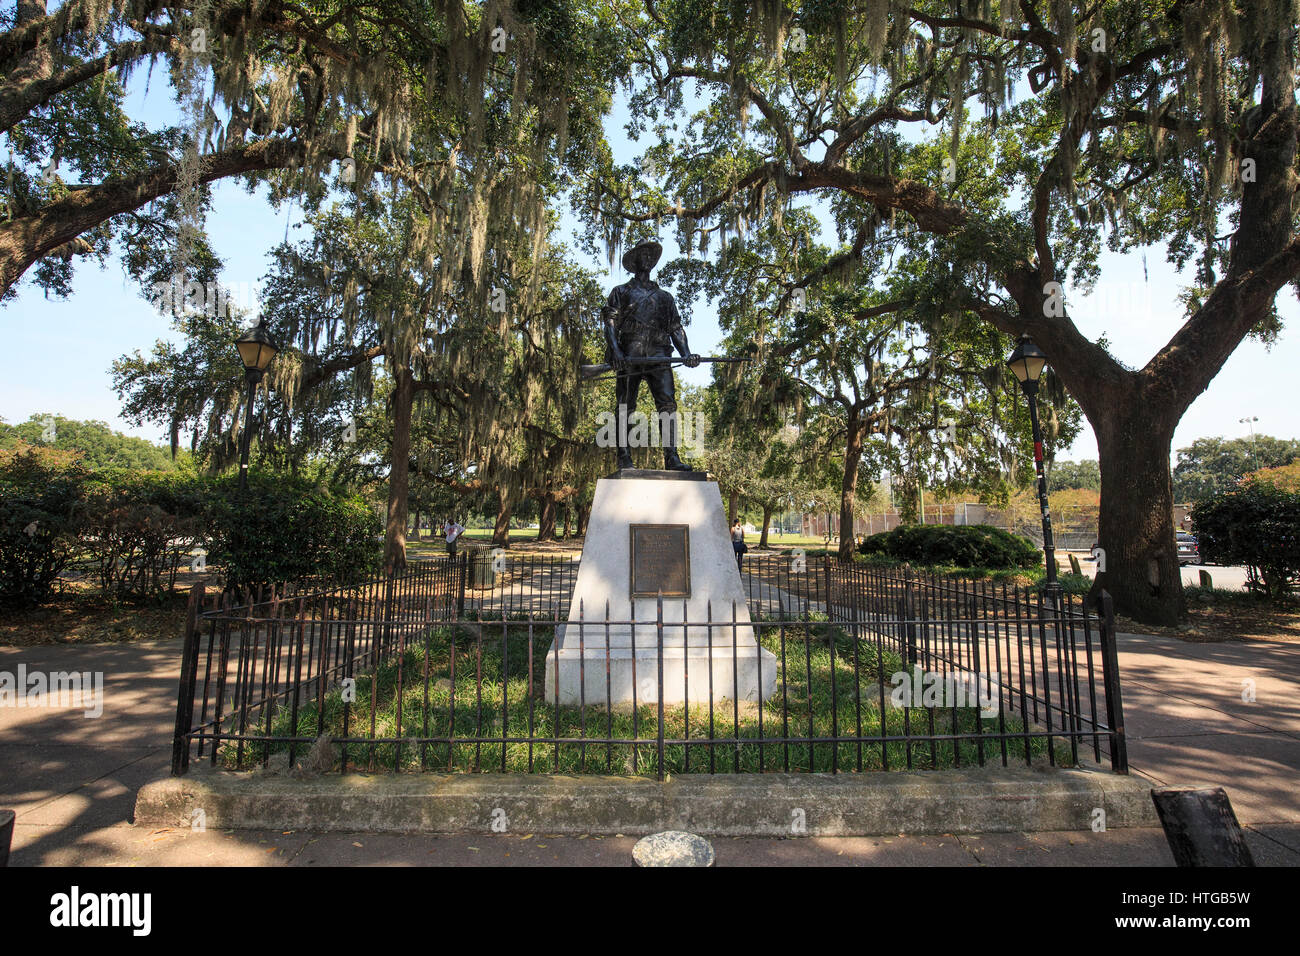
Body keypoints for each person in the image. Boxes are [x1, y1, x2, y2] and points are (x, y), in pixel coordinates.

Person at [602, 238, 700, 471]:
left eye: (650, 255)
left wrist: (686, 354)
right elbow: (610, 324)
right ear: (635, 261)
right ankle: (624, 456)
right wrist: (616, 351)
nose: (647, 259)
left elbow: (676, 328)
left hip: (659, 353)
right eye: (642, 255)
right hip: (630, 353)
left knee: (668, 405)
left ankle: (672, 457)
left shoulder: (665, 297)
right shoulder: (621, 291)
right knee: (625, 405)